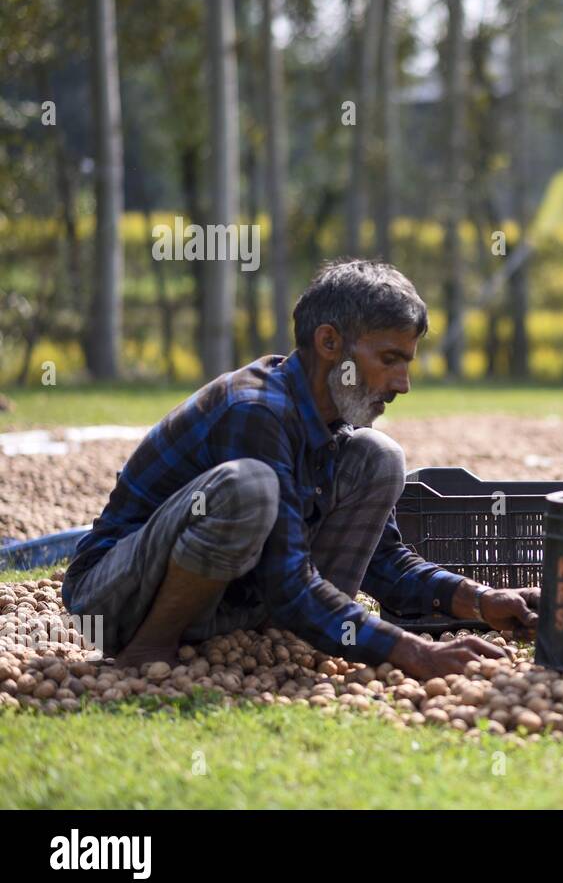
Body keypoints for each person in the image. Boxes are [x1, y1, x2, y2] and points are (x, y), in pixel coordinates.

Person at [62, 259, 534, 678]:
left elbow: (384, 562)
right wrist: (411, 652)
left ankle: (276, 643)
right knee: (250, 487)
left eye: (406, 364)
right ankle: (147, 652)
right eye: (389, 359)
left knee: (380, 456)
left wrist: (477, 599)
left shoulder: (329, 423)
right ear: (329, 342)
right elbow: (287, 584)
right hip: (114, 600)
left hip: (231, 605)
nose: (402, 384)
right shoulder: (255, 411)